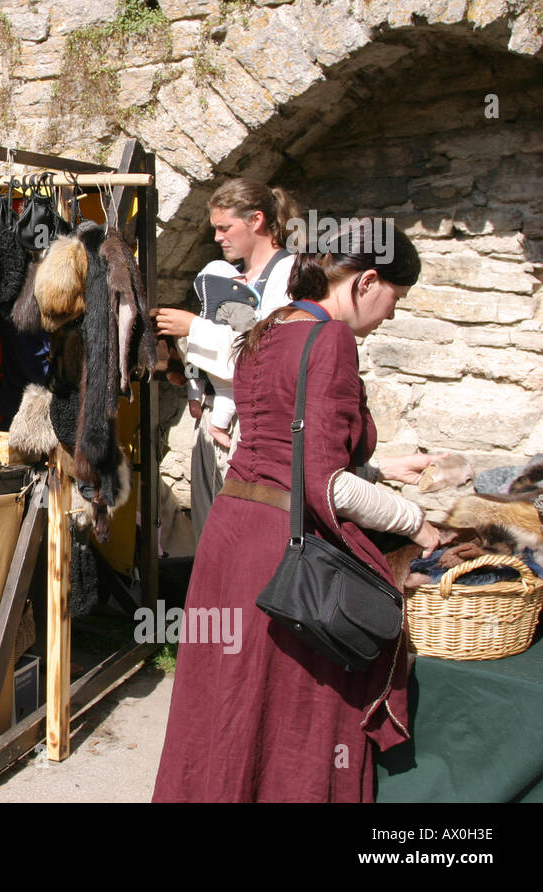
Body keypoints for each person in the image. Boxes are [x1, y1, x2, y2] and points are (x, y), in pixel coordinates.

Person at [152, 223, 452, 803]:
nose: (390, 315)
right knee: (290, 715)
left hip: (231, 539)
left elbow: (275, 452)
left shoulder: (268, 330)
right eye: (396, 298)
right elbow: (323, 484)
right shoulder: (332, 338)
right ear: (368, 281)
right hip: (279, 552)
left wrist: (385, 469)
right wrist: (416, 523)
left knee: (229, 707)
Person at [153, 178, 298, 540]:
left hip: (250, 426)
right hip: (210, 421)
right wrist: (179, 358)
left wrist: (195, 328)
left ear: (257, 221)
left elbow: (269, 355)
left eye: (224, 227)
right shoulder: (228, 277)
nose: (217, 238)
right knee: (208, 537)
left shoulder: (288, 276)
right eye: (215, 228)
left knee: (242, 537)